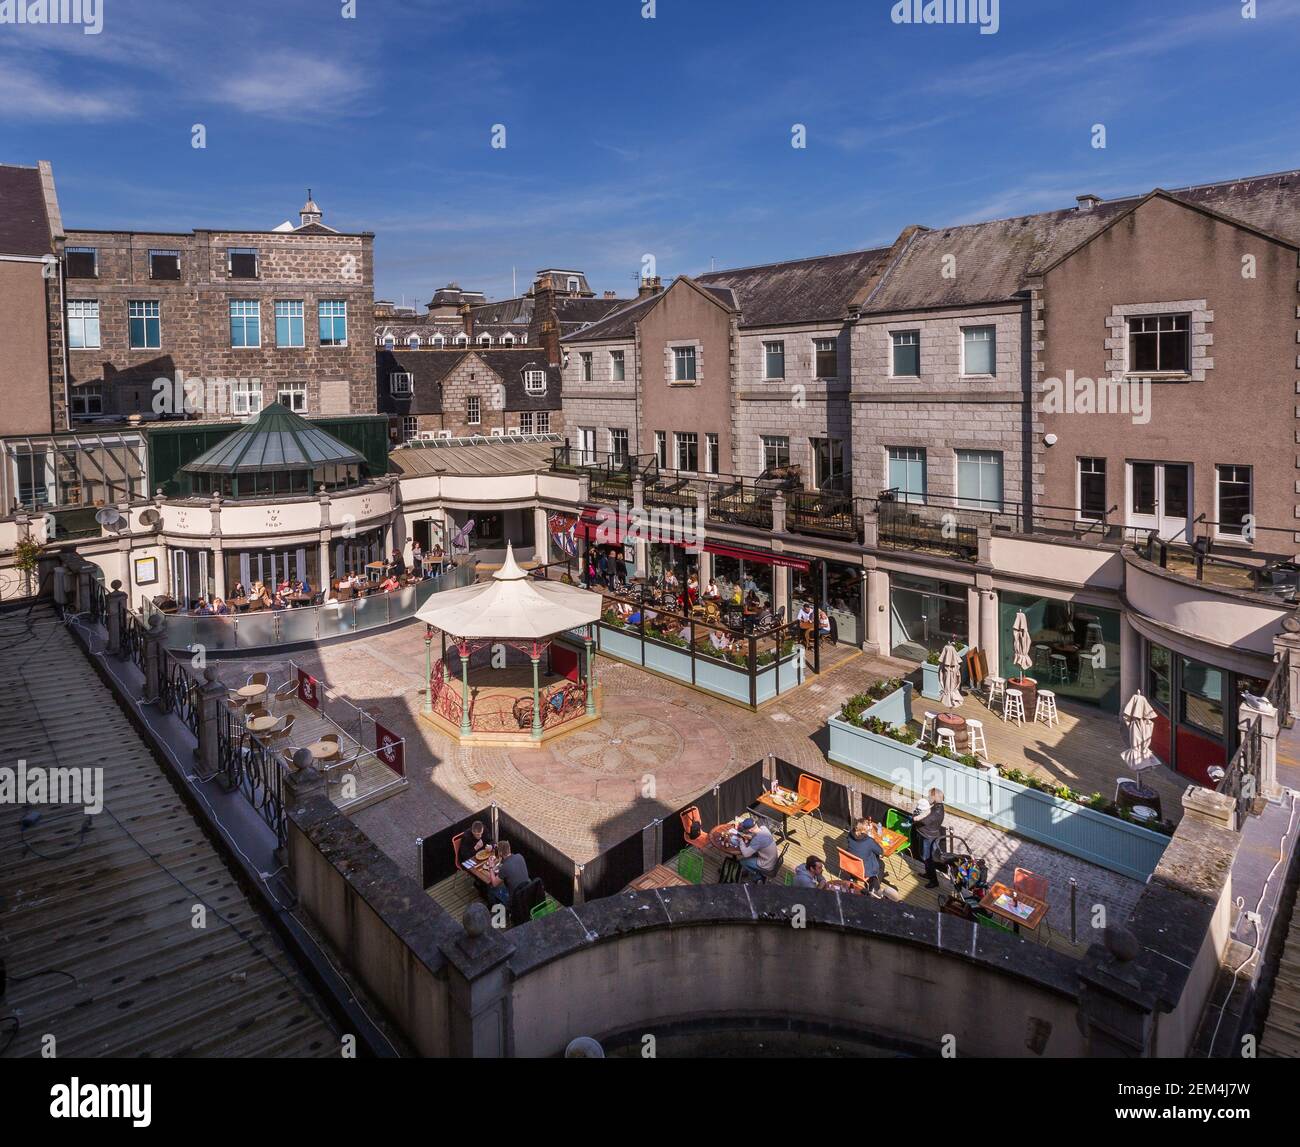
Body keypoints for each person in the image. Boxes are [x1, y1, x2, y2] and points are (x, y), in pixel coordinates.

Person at [842, 818, 885, 897]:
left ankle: (852, 878)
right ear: (862, 831)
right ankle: (874, 887)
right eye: (866, 828)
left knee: (868, 853)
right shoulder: (869, 841)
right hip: (863, 872)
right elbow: (881, 851)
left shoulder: (850, 835)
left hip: (850, 867)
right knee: (881, 863)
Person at [913, 788, 946, 888]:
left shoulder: (936, 811)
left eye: (929, 796)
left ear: (934, 797)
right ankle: (928, 874)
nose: (928, 798)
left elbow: (924, 821)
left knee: (927, 858)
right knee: (926, 857)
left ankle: (934, 881)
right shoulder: (937, 806)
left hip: (929, 837)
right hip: (927, 835)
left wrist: (915, 816)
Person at [735, 816, 780, 882]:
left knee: (742, 862)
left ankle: (757, 876)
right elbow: (759, 839)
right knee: (752, 855)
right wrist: (751, 837)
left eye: (745, 829)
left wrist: (741, 841)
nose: (744, 830)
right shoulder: (763, 828)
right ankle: (751, 872)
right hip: (772, 860)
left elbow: (745, 854)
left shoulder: (758, 839)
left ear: (750, 830)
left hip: (766, 864)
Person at [487, 840, 529, 906]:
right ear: (509, 848)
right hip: (527, 891)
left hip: (515, 900)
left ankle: (496, 910)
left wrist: (490, 867)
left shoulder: (504, 867)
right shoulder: (520, 856)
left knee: (491, 889)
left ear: (500, 853)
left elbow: (494, 883)